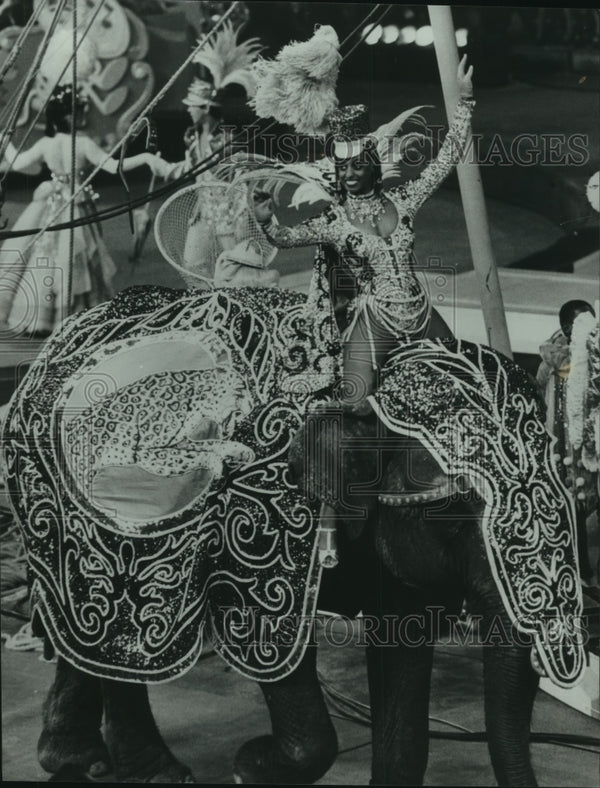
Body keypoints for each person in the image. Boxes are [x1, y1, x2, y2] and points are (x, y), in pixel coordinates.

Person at [251, 56, 474, 565]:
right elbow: (287, 237)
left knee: (457, 381)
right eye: (343, 167)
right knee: (352, 404)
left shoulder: (406, 198)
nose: (350, 174)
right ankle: (332, 516)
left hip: (418, 313)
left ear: (373, 165)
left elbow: (447, 156)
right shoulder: (334, 220)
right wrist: (266, 221)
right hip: (374, 320)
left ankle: (461, 476)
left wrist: (464, 102)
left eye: (357, 165)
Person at [0, 83, 167, 336]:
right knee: (73, 258)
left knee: (46, 256)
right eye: (79, 110)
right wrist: (146, 158)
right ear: (69, 115)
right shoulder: (82, 143)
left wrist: (5, 138)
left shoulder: (48, 143)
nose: (83, 115)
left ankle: (46, 313)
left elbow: (17, 162)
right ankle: (70, 314)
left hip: (51, 201)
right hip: (72, 204)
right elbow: (114, 167)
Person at [537, 299, 597, 582]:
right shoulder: (551, 360)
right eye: (579, 323)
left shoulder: (595, 354)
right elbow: (543, 402)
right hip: (562, 446)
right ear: (565, 327)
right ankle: (580, 574)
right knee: (570, 510)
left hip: (590, 443)